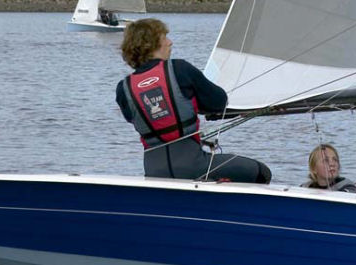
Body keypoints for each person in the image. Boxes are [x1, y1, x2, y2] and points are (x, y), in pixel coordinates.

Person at [115, 18, 272, 183]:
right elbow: (219, 102)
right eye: (165, 38)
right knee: (261, 172)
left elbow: (147, 118)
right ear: (152, 44)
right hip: (194, 166)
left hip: (154, 173)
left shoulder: (123, 89)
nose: (170, 42)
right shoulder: (180, 69)